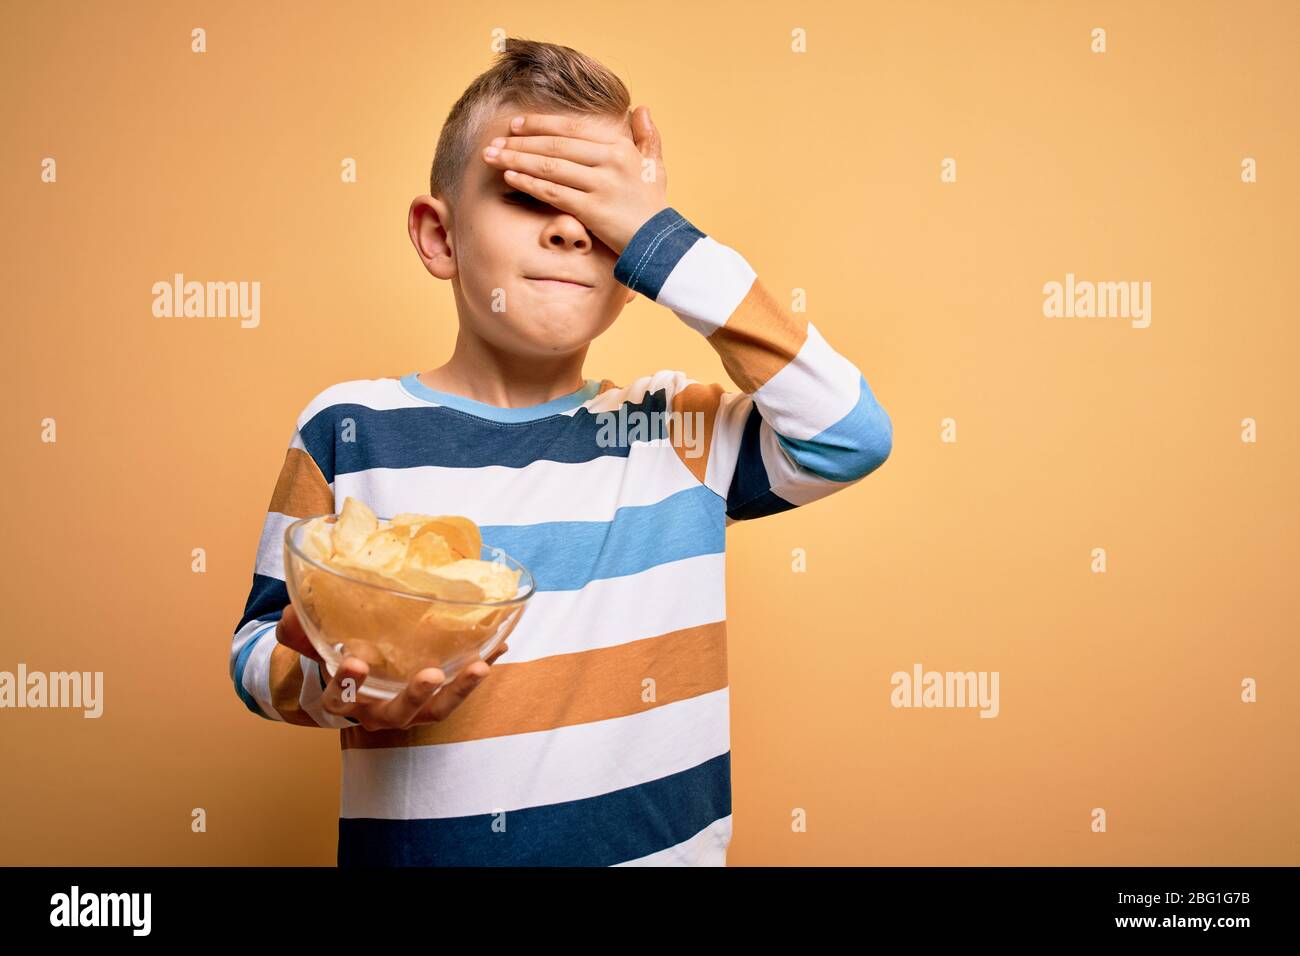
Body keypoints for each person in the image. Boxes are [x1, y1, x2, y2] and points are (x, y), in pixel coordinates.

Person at [230, 37, 892, 866]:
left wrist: (662, 240)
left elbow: (849, 435)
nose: (573, 232)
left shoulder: (678, 431)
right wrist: (344, 687)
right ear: (439, 237)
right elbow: (258, 646)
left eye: (601, 209)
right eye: (526, 194)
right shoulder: (352, 428)